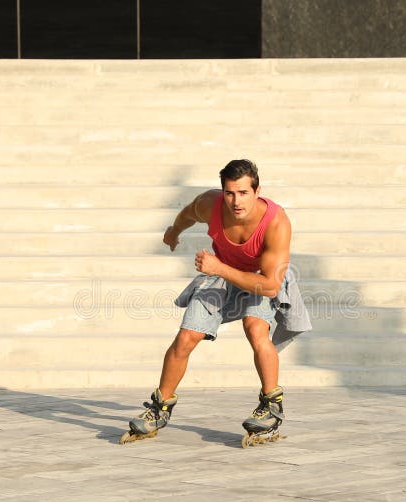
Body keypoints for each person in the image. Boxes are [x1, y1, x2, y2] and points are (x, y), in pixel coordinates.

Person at [121, 159, 311, 446]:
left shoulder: (276, 222)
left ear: (257, 191)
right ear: (222, 192)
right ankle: (159, 408)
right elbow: (187, 213)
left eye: (243, 193)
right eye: (230, 193)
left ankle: (271, 406)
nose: (236, 201)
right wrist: (174, 231)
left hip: (259, 279)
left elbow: (271, 286)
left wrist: (219, 269)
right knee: (186, 336)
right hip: (220, 273)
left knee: (256, 327)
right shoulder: (211, 204)